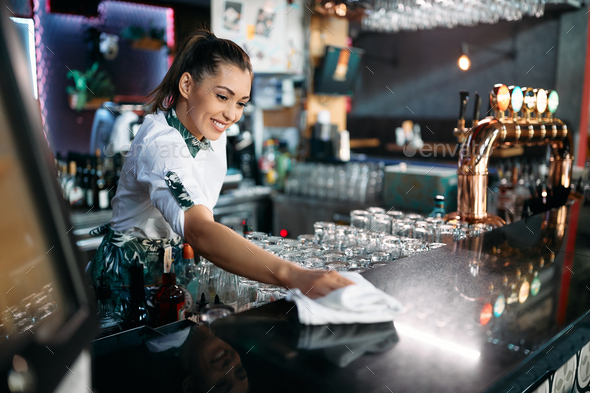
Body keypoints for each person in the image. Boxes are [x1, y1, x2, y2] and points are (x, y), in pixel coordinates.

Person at [87, 29, 353, 317]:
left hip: (171, 272)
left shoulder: (212, 130)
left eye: (240, 102)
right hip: (125, 283)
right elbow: (200, 230)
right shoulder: (160, 144)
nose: (231, 114)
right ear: (187, 85)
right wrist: (291, 274)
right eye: (223, 97)